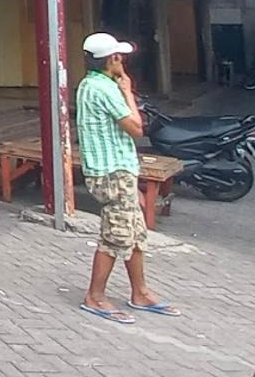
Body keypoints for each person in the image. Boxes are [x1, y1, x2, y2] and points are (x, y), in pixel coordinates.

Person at [73, 31, 180, 324]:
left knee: (134, 231)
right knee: (116, 235)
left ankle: (140, 292)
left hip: (112, 169)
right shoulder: (106, 89)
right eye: (119, 56)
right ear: (113, 59)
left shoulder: (88, 84)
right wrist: (128, 91)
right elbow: (136, 127)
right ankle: (95, 297)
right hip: (112, 172)